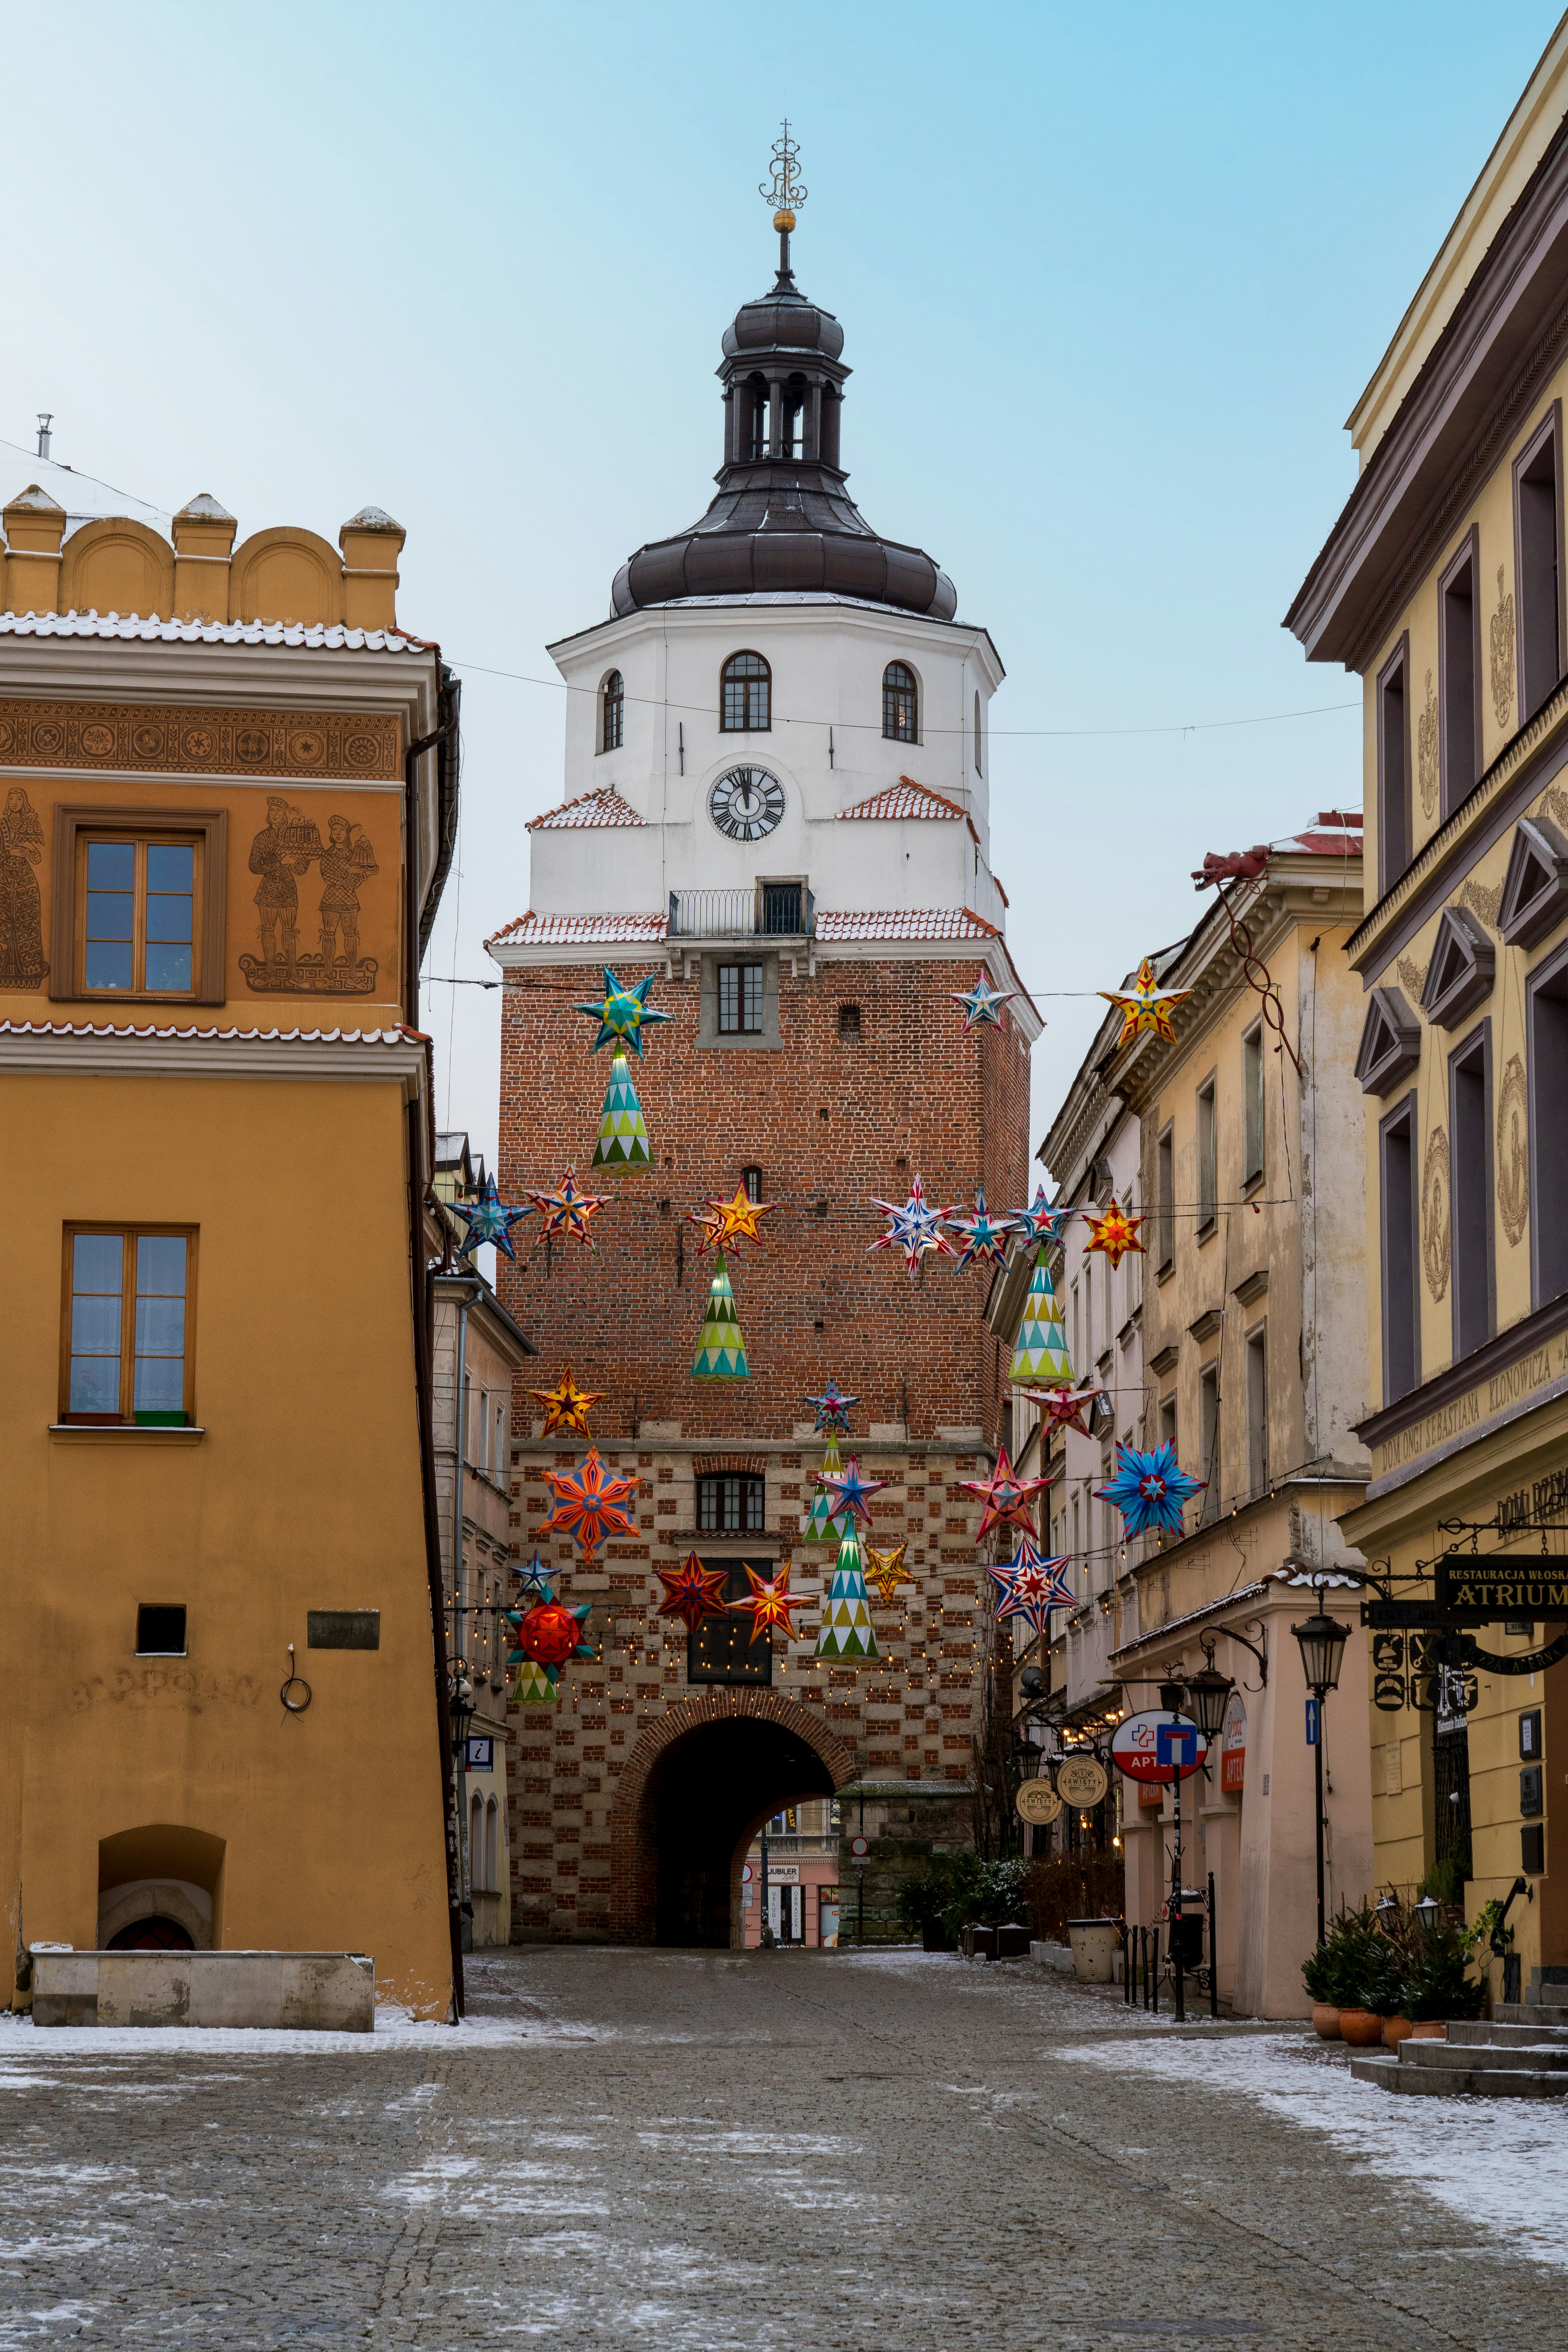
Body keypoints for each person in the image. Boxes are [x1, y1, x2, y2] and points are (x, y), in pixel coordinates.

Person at [249, 796, 320, 967]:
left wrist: (306, 855)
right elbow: (254, 866)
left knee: (289, 931)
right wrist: (281, 862)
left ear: (284, 813)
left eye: (278, 811)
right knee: (268, 930)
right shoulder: (262, 837)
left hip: (288, 886)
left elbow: (299, 870)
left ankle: (293, 973)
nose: (274, 814)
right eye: (272, 810)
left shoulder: (294, 835)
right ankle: (271, 973)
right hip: (268, 887)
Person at [0, 786, 47, 988]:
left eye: (19, 799)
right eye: (12, 799)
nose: (15, 803)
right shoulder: (2, 825)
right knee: (3, 918)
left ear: (24, 802)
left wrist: (31, 850)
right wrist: (9, 855)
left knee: (27, 920)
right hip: (3, 876)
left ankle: (30, 968)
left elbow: (37, 858)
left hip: (25, 879)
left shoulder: (31, 825)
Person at [316, 814, 378, 966]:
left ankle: (352, 975)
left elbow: (355, 882)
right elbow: (330, 879)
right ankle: (328, 974)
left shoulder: (353, 855)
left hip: (349, 900)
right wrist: (350, 872)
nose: (338, 833)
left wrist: (364, 874)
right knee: (329, 935)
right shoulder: (327, 855)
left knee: (351, 936)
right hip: (330, 900)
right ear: (331, 833)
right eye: (335, 830)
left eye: (342, 830)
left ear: (347, 833)